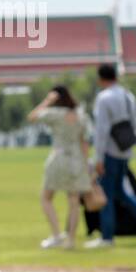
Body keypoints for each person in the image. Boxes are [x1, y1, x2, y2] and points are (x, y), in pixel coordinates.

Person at [86, 63, 136, 249]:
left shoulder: (104, 98)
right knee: (120, 191)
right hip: (125, 150)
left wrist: (98, 158)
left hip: (110, 152)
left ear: (101, 79)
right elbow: (135, 124)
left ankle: (107, 237)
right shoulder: (128, 96)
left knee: (107, 194)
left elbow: (102, 130)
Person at [26, 85, 93, 249]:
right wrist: (86, 165)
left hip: (59, 157)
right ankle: (70, 240)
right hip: (77, 159)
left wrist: (47, 101)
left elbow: (32, 117)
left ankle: (56, 235)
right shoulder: (80, 115)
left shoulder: (55, 114)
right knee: (74, 201)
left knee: (46, 197)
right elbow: (84, 143)